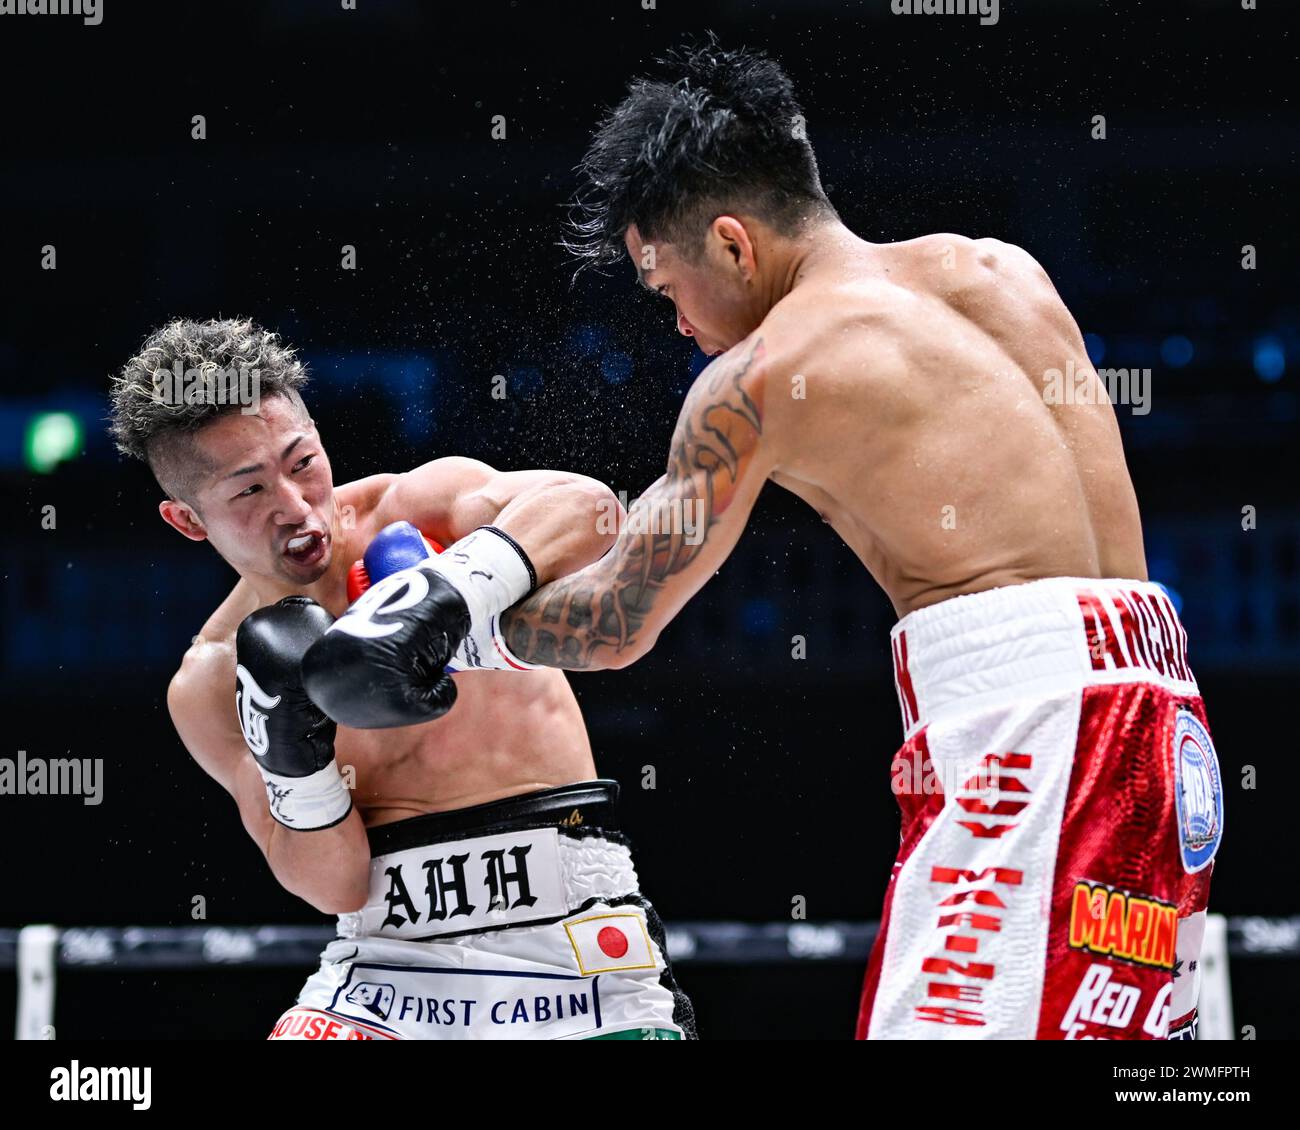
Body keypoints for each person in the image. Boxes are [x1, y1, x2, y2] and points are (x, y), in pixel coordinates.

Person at [314, 40, 1222, 1040]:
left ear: (735, 244)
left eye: (668, 290)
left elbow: (618, 618)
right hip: (1162, 722)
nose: (677, 325)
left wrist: (447, 618)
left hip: (1036, 742)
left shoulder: (762, 375)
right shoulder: (1001, 271)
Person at [108, 317, 695, 1040]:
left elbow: (596, 510)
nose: (295, 507)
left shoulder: (418, 508)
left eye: (301, 463)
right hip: (388, 972)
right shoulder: (211, 680)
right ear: (187, 520)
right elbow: (335, 883)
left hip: (570, 943)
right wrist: (295, 757)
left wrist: (444, 599)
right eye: (249, 490)